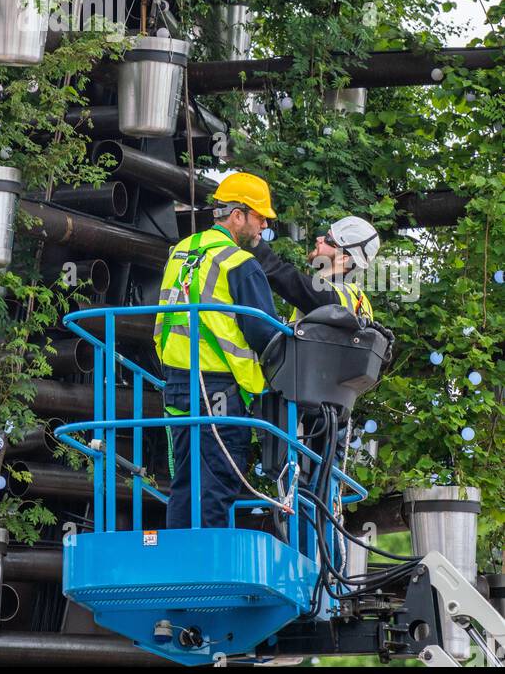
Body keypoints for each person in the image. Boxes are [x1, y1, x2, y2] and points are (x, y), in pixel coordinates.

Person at [154, 171, 279, 529]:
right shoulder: (239, 263)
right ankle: (206, 578)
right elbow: (265, 333)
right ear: (237, 215)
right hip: (218, 389)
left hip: (177, 384)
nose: (263, 228)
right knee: (217, 483)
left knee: (186, 483)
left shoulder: (181, 251)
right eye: (259, 218)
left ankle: (179, 566)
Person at [250, 215, 379, 320]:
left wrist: (253, 241)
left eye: (328, 239)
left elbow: (281, 275)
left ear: (344, 258)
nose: (319, 239)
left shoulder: (329, 296)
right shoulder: (361, 302)